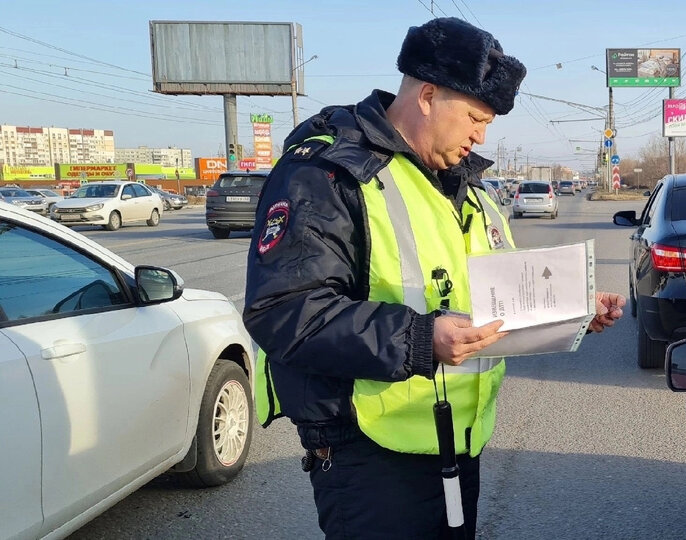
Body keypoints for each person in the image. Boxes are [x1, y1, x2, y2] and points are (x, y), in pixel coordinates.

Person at [242, 17, 625, 539]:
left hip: (455, 441)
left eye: (487, 123)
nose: (479, 134)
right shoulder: (330, 172)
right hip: (369, 455)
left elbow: (490, 293)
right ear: (426, 96)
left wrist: (575, 306)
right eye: (473, 116)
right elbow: (286, 310)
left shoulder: (467, 188)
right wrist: (422, 338)